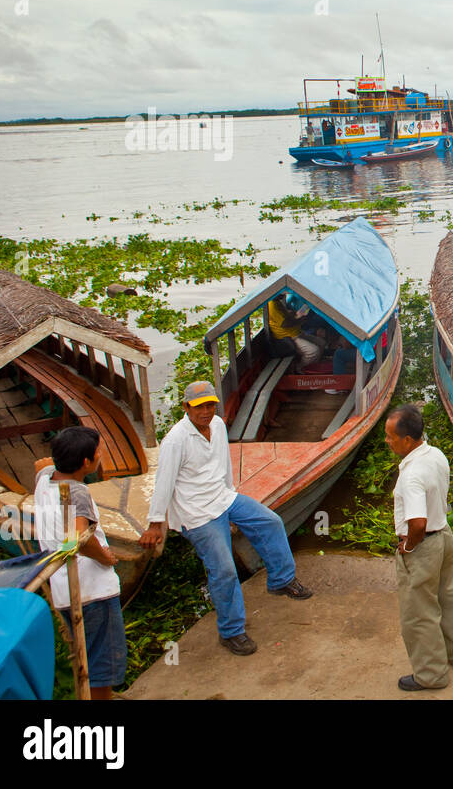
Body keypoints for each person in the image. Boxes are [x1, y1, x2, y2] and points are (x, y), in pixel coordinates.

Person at [139, 381, 312, 656]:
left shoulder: (217, 425)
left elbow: (223, 463)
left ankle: (281, 580)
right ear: (186, 408)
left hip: (223, 497)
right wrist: (154, 523)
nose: (206, 411)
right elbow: (164, 483)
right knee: (224, 570)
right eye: (199, 407)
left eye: (210, 405)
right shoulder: (175, 440)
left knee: (270, 522)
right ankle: (231, 631)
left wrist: (231, 495)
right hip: (196, 514)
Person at [34, 426, 127, 699]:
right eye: (98, 451)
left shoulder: (45, 479)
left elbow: (40, 463)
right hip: (92, 591)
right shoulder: (78, 493)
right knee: (101, 663)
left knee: (85, 655)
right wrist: (106, 556)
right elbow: (78, 540)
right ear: (86, 463)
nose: (101, 454)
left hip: (64, 590)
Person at [386, 404, 453, 692]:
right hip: (444, 536)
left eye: (390, 437)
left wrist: (408, 548)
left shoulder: (411, 476)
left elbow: (418, 523)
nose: (387, 441)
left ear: (407, 440)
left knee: (419, 613)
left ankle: (431, 675)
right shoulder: (435, 454)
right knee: (449, 597)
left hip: (423, 546)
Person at [268, 295, 324, 370]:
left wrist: (295, 315)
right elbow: (285, 324)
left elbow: (284, 317)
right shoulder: (272, 305)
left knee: (321, 343)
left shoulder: (277, 302)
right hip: (288, 338)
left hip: (296, 333)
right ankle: (299, 368)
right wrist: (300, 319)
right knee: (314, 351)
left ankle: (313, 366)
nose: (284, 295)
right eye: (282, 293)